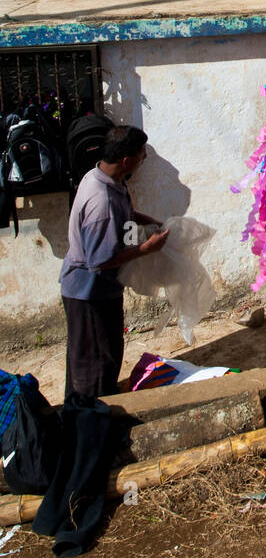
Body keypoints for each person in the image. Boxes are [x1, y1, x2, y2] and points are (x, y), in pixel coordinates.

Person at [59, 126, 169, 399]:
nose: (143, 159)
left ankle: (87, 409)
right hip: (89, 293)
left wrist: (147, 220)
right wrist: (147, 248)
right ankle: (93, 418)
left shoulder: (102, 177)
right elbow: (100, 260)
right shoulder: (101, 202)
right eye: (142, 155)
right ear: (126, 160)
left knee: (93, 354)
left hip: (97, 290)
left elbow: (125, 212)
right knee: (95, 363)